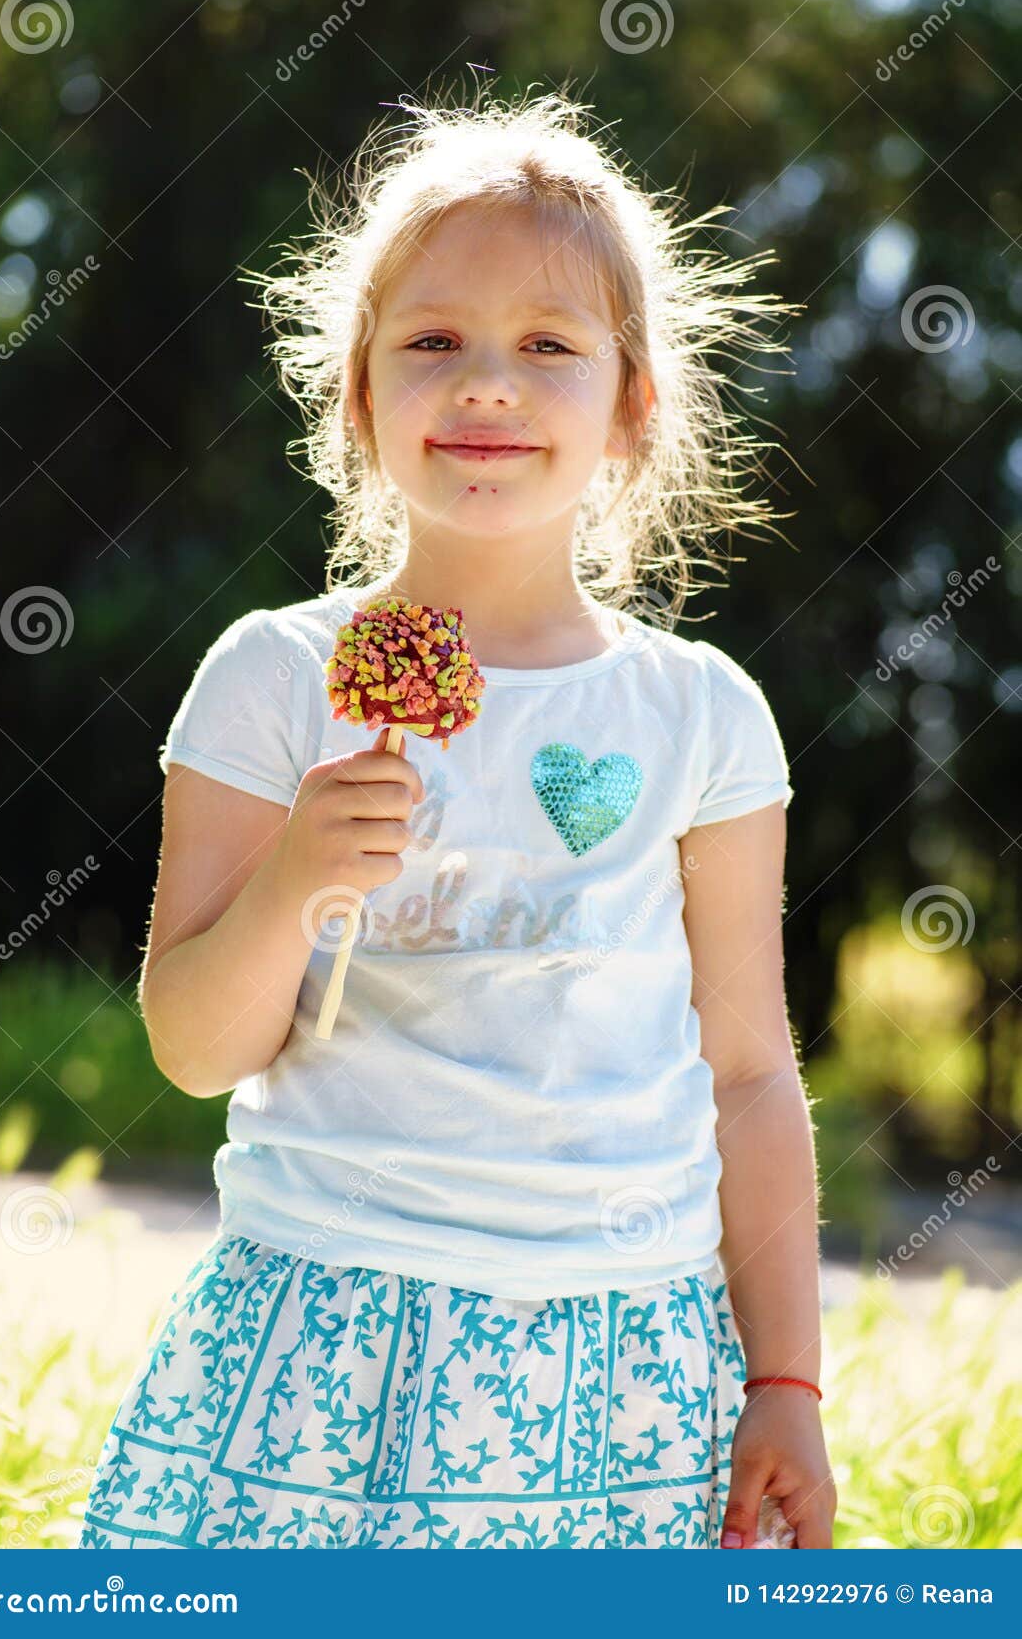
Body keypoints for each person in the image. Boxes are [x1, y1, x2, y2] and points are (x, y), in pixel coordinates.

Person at [78, 83, 835, 1551]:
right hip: (321, 1319)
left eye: (548, 346)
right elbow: (189, 1044)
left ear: (631, 406)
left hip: (624, 1350)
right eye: (433, 343)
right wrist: (299, 876)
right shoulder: (278, 676)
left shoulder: (700, 714)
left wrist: (785, 1378)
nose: (486, 382)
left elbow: (746, 1069)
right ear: (361, 399)